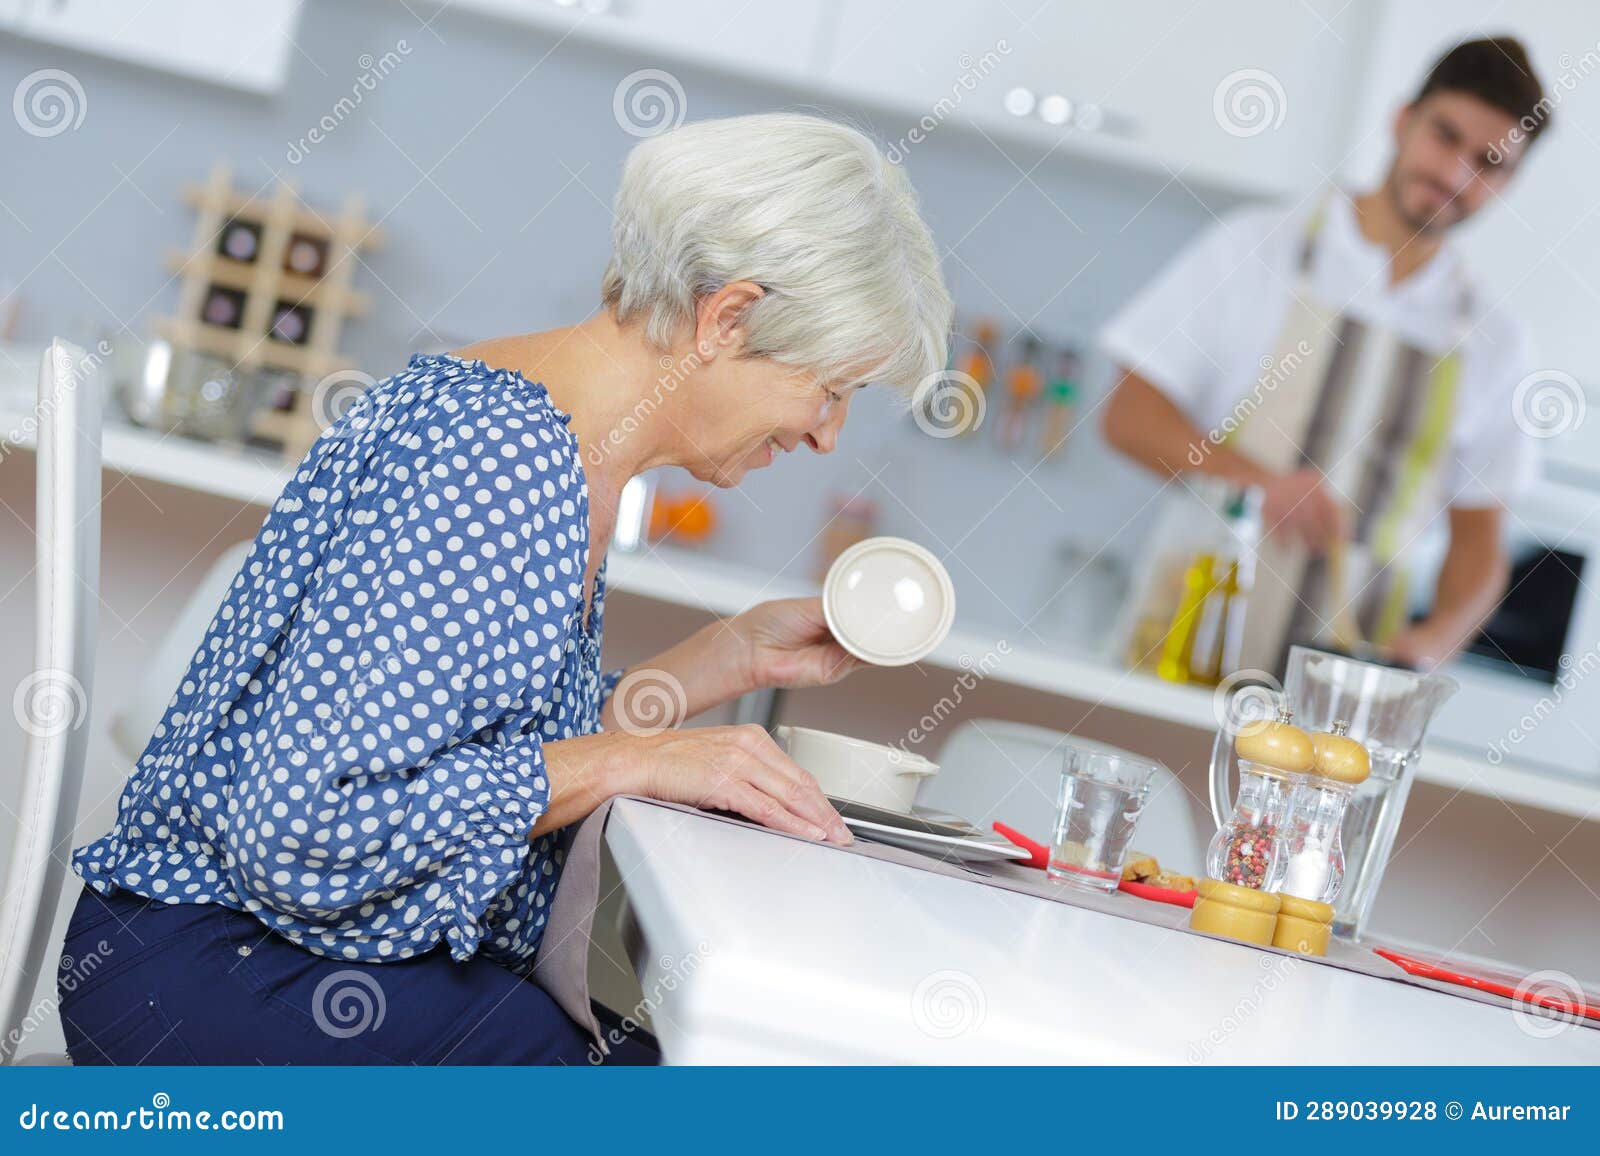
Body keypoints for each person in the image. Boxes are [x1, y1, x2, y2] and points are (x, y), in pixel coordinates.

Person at [59, 113, 952, 1065]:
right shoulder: (503, 457)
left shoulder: (561, 438)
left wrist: (718, 660)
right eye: (831, 388)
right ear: (726, 318)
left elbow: (471, 749)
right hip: (222, 970)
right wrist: (631, 762)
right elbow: (307, 825)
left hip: (260, 957)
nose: (826, 435)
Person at [1101, 38, 1549, 672]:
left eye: (1488, 162)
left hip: (1345, 694)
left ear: (1509, 182)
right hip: (1183, 647)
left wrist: (1436, 642)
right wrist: (1257, 485)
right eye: (1444, 137)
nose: (1454, 175)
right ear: (1401, 120)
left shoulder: (1495, 342)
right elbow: (1129, 418)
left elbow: (1479, 542)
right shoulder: (1255, 248)